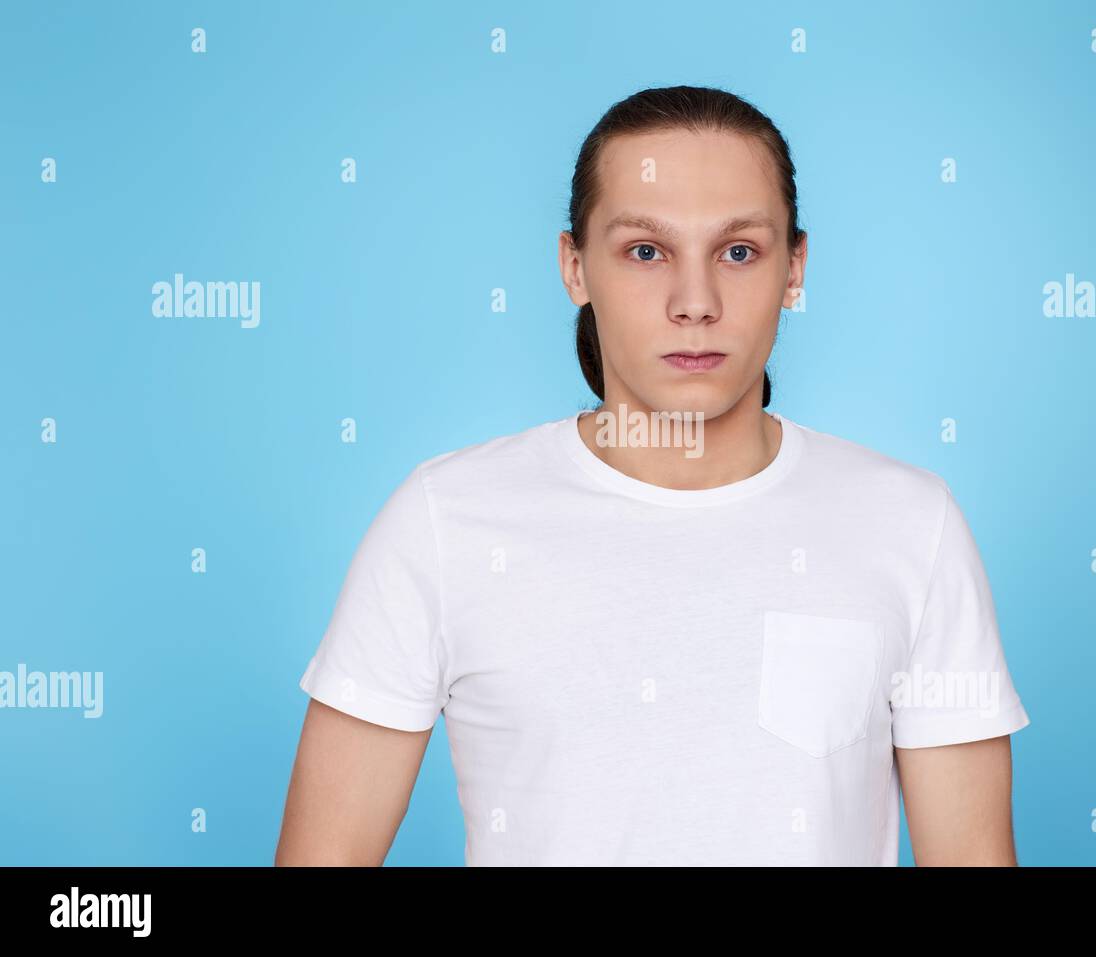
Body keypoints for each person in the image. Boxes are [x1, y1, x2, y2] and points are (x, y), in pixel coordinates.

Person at [276, 85, 1030, 867]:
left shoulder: (910, 524)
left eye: (738, 252)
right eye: (646, 251)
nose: (695, 302)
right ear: (575, 266)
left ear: (795, 268)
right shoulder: (444, 521)